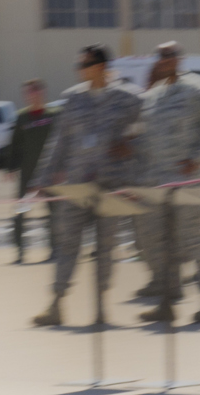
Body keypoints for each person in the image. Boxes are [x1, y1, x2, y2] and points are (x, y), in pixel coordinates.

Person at [30, 46, 144, 327]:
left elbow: (147, 132)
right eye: (78, 65)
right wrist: (43, 179)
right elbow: (59, 142)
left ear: (102, 66)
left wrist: (130, 144)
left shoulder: (128, 98)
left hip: (111, 184)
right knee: (68, 244)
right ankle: (56, 304)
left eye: (86, 64)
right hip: (78, 185)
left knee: (106, 249)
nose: (80, 69)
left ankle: (101, 308)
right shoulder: (72, 99)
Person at [136, 42, 200, 324]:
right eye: (161, 56)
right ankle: (166, 302)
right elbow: (146, 139)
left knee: (194, 242)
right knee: (159, 244)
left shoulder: (197, 88)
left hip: (192, 183)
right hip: (159, 184)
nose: (164, 60)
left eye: (169, 55)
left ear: (179, 58)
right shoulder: (154, 95)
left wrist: (199, 156)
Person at [4, 79, 57, 263]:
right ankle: (20, 251)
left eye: (35, 91)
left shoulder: (54, 115)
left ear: (42, 92)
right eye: (28, 92)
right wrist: (11, 166)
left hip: (50, 174)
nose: (31, 95)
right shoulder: (22, 118)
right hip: (28, 174)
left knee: (55, 212)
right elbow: (15, 144)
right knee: (20, 211)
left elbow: (62, 142)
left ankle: (55, 249)